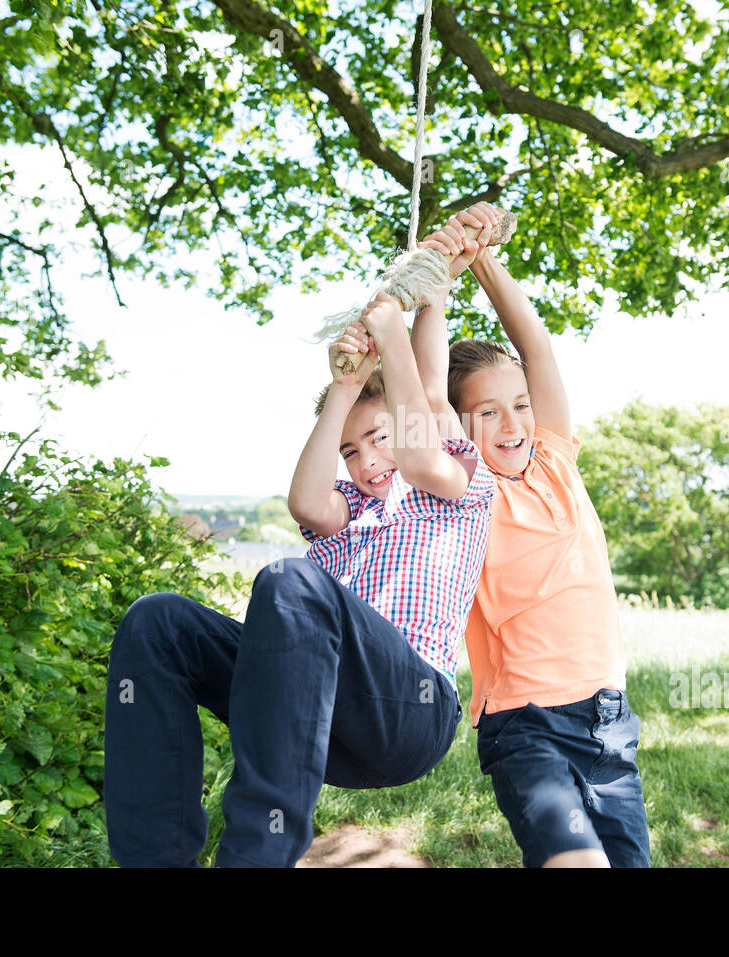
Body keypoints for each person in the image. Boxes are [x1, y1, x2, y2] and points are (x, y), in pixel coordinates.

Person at [103, 289, 494, 867]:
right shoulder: (344, 509)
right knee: (157, 622)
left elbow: (425, 413)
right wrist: (343, 388)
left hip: (408, 715)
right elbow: (307, 504)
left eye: (378, 439)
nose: (365, 463)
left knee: (290, 583)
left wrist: (401, 326)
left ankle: (254, 858)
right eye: (351, 452)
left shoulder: (455, 487)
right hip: (316, 714)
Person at [415, 203, 650, 868]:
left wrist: (483, 253)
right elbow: (430, 393)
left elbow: (536, 347)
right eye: (486, 412)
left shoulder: (555, 461)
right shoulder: (467, 492)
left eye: (518, 404)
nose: (511, 421)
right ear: (462, 427)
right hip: (527, 725)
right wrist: (437, 285)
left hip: (608, 723)